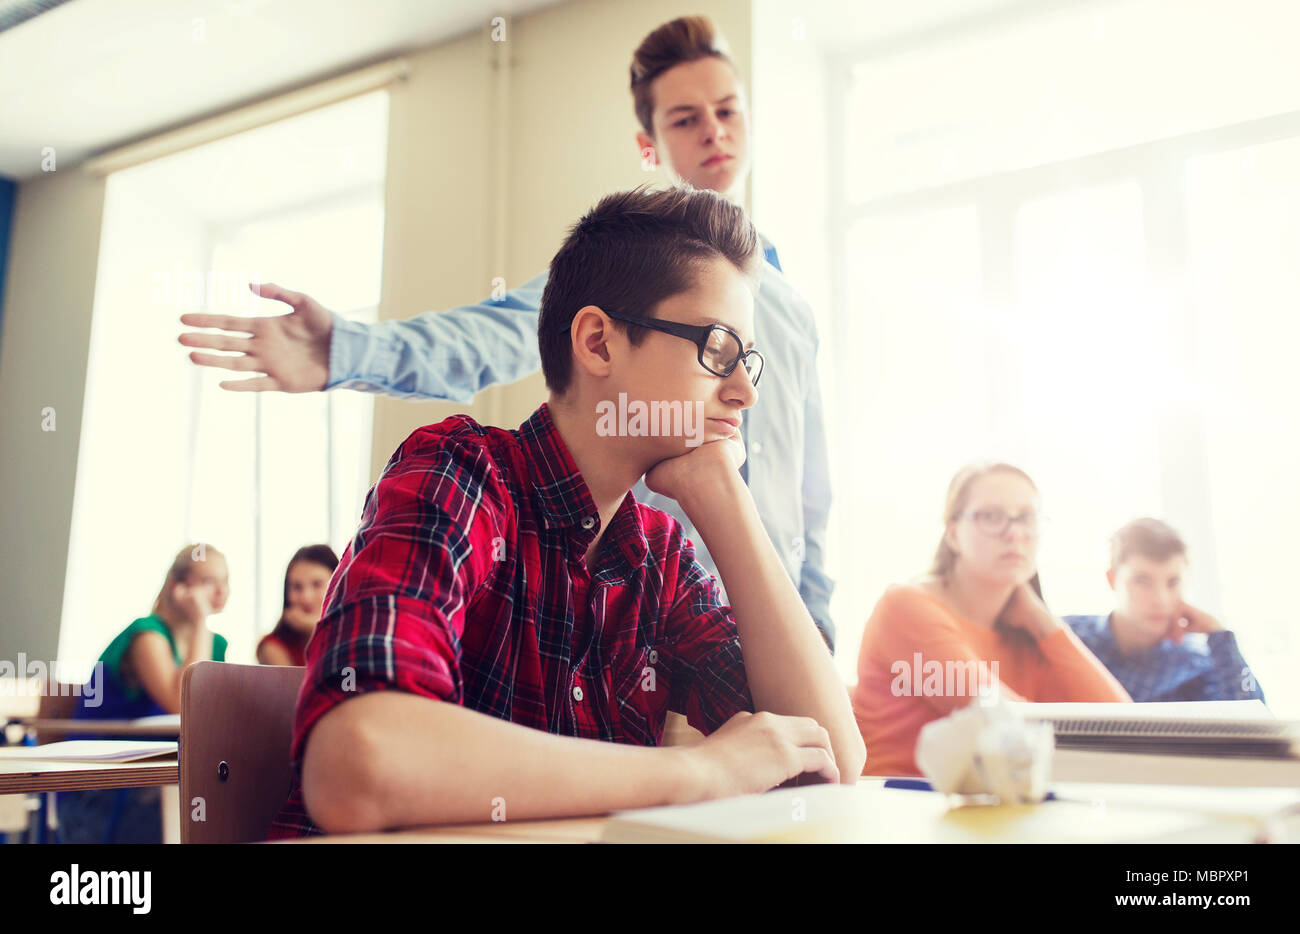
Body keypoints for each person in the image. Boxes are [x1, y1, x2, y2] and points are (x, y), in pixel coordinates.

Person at [177, 15, 836, 650]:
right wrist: (348, 351)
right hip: (653, 634)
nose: (713, 132)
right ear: (650, 145)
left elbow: (811, 493)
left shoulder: (791, 312)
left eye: (727, 111)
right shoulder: (626, 277)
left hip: (777, 634)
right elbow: (490, 337)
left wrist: (816, 631)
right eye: (685, 120)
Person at [266, 186, 864, 838]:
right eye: (718, 349)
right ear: (599, 344)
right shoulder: (460, 473)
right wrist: (702, 773)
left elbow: (830, 757)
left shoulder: (658, 553)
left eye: (748, 361)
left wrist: (726, 498)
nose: (745, 389)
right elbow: (358, 764)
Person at [850, 462, 1130, 777]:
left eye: (1027, 517)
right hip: (902, 807)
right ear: (953, 534)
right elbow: (1013, 729)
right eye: (991, 517)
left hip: (990, 809)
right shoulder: (905, 607)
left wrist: (1047, 625)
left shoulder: (1027, 633)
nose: (1014, 533)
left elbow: (1125, 727)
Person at [59, 544, 229, 843]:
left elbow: (215, 714)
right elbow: (181, 704)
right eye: (208, 581)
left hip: (157, 776)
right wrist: (201, 620)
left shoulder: (216, 645)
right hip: (104, 783)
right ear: (178, 587)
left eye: (225, 580)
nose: (220, 590)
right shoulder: (147, 633)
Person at [1064, 518, 1265, 703]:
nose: (1161, 599)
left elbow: (1255, 725)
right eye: (1142, 581)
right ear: (1113, 580)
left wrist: (1219, 635)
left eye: (1173, 582)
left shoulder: (1196, 664)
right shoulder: (1065, 636)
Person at [257, 544, 339, 666]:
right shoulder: (272, 647)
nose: (306, 598)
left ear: (338, 585)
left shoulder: (354, 638)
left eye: (317, 584)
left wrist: (316, 627)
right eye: (297, 587)